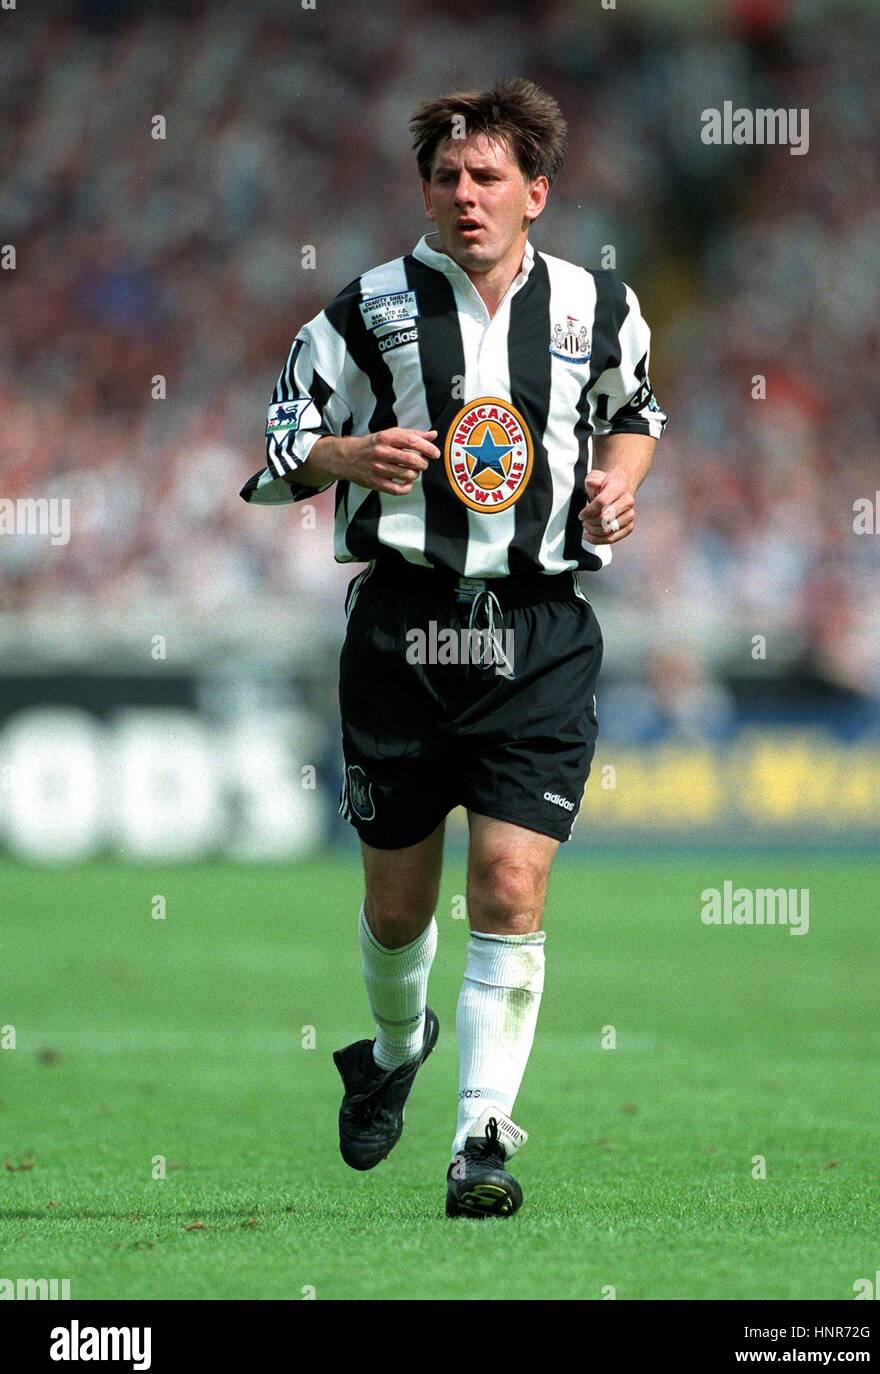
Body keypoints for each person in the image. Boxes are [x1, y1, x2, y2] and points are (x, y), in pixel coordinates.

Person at [241, 78, 667, 1218]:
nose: (463, 196)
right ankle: (391, 1046)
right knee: (395, 909)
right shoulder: (363, 309)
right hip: (403, 631)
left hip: (537, 630)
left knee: (511, 884)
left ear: (536, 191)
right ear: (423, 190)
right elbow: (276, 435)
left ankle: (480, 1134)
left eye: (486, 178)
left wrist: (615, 493)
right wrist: (345, 457)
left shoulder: (597, 307)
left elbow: (636, 415)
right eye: (445, 177)